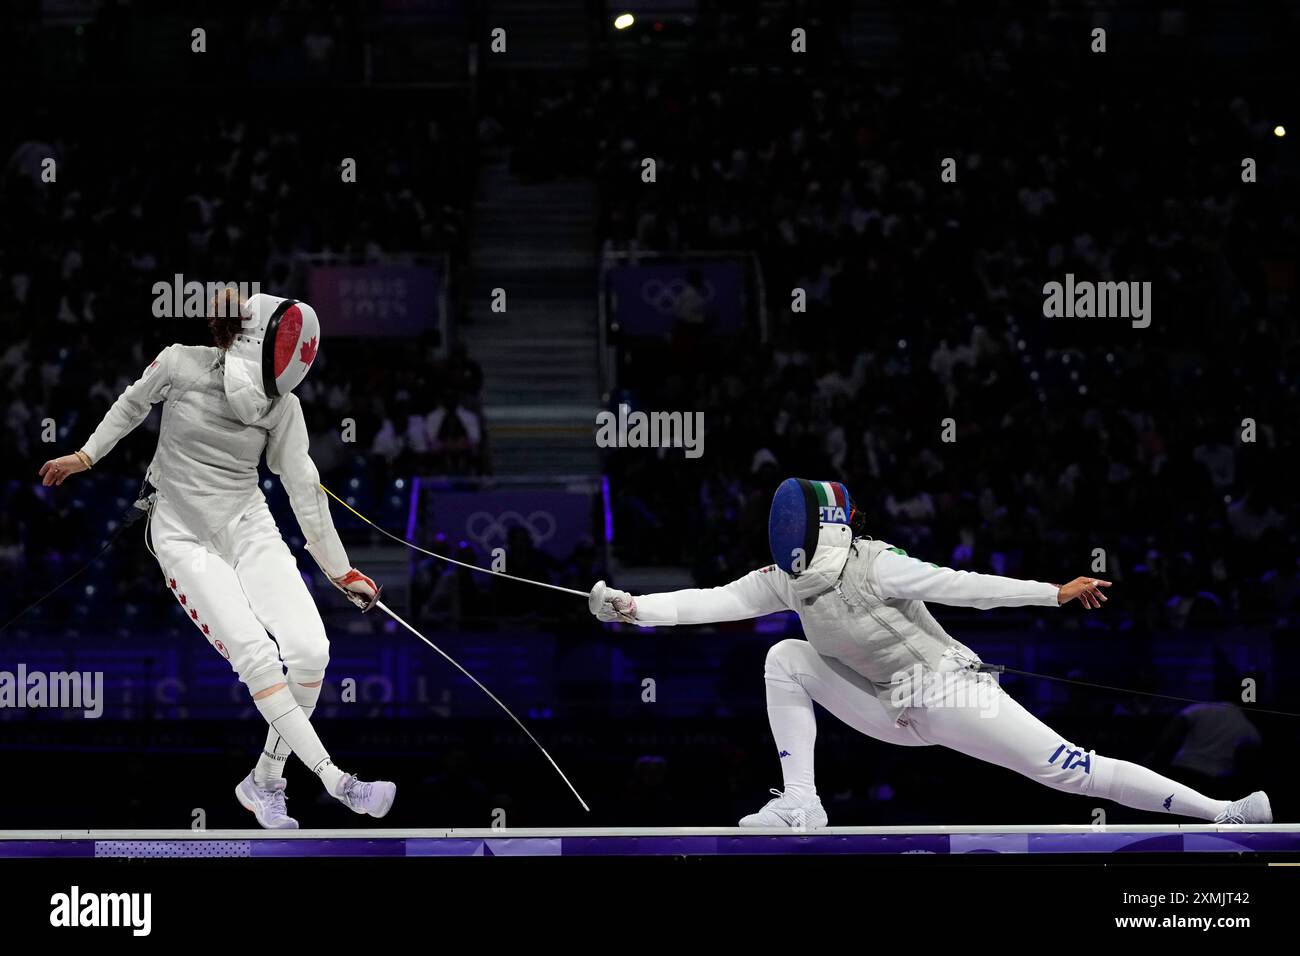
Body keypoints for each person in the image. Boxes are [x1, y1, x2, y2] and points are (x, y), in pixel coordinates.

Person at [589, 477, 1273, 828]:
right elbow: (707, 602)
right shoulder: (784, 582)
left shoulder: (876, 563)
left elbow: (965, 586)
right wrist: (631, 608)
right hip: (888, 710)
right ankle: (801, 802)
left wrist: (1054, 593)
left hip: (948, 694)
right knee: (784, 659)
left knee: (1070, 771)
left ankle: (1226, 812)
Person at [38, 289, 396, 829]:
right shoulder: (180, 362)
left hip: (246, 521)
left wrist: (340, 571)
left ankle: (265, 780)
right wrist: (87, 455)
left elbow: (304, 489)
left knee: (311, 651)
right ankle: (337, 782)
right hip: (182, 535)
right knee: (258, 656)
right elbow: (133, 402)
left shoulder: (284, 407)